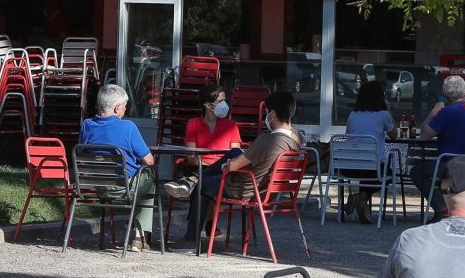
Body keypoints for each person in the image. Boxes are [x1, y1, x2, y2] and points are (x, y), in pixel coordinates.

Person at [167, 90, 302, 243]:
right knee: (235, 151)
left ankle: (190, 240)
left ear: (271, 114)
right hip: (264, 188)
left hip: (241, 188)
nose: (265, 118)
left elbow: (233, 166)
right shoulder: (296, 139)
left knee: (202, 185)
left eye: (266, 114)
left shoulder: (267, 140)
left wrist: (229, 164)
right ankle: (193, 179)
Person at [79, 83, 157, 252]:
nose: (124, 111)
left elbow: (83, 153)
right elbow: (149, 160)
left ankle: (140, 238)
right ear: (116, 108)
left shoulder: (87, 125)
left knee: (143, 181)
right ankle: (139, 237)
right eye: (124, 107)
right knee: (150, 179)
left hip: (98, 186)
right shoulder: (128, 127)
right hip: (123, 188)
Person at [160, 84, 242, 239]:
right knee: (205, 178)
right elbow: (191, 157)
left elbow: (235, 156)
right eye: (220, 101)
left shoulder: (231, 126)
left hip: (223, 172)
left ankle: (189, 183)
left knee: (204, 181)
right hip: (198, 167)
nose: (224, 105)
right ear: (207, 105)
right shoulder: (194, 124)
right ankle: (209, 223)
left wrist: (213, 166)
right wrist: (207, 165)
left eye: (225, 101)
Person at [411, 75, 465, 221]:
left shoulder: (447, 113)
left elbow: (424, 136)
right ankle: (455, 207)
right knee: (443, 175)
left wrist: (432, 114)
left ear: (444, 94)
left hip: (452, 165)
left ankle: (443, 209)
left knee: (417, 172)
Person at [342, 80, 398, 222]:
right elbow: (394, 135)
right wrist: (389, 109)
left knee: (367, 168)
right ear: (380, 97)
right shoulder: (383, 114)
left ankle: (363, 205)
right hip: (372, 169)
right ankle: (359, 198)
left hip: (348, 168)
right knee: (387, 172)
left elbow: (349, 135)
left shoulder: (352, 115)